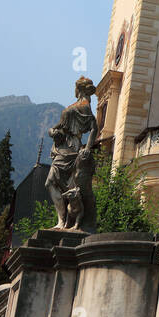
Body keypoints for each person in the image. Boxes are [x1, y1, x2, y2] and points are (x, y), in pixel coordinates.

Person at [45, 78, 98, 231]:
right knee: (50, 183)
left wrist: (87, 147)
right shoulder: (75, 106)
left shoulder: (84, 106)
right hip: (61, 147)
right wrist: (52, 131)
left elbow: (94, 127)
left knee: (64, 185)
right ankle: (60, 221)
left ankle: (66, 222)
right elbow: (58, 126)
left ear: (79, 89)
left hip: (72, 147)